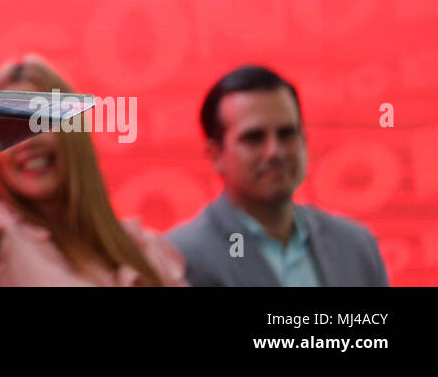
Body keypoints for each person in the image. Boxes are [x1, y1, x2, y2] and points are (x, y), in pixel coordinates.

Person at [0, 56, 186, 286]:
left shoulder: (144, 248)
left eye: (40, 121)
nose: (26, 142)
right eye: (7, 131)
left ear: (75, 134)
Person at [166, 66, 388, 286]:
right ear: (216, 155)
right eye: (254, 138)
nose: (274, 151)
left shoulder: (355, 246)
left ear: (304, 140)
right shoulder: (179, 260)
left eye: (286, 134)